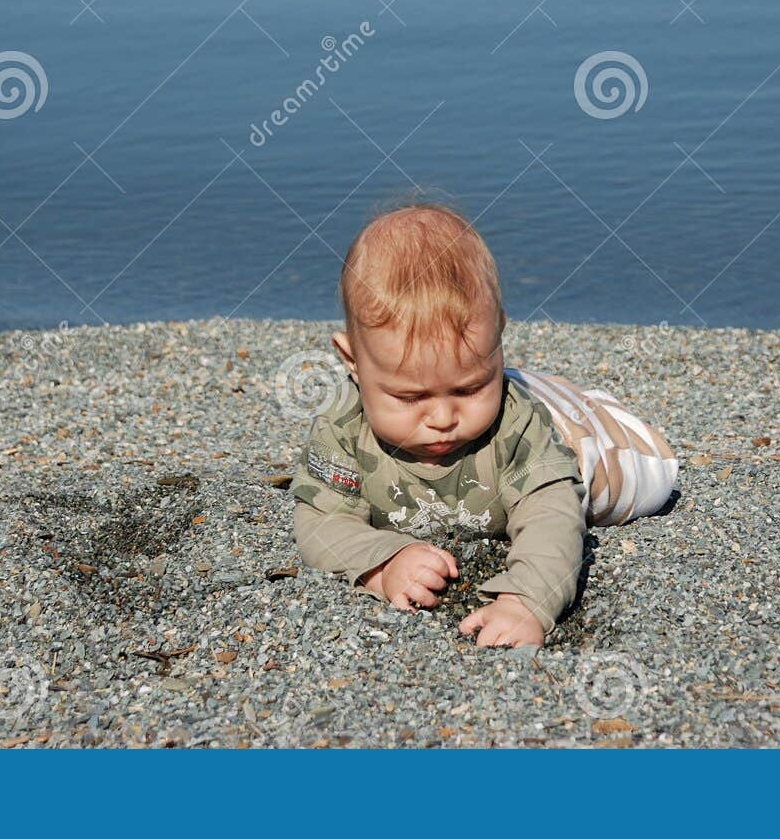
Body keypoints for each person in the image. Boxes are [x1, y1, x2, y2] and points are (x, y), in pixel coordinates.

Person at [289, 200, 678, 647]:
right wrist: (382, 564)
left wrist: (527, 601)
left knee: (648, 482)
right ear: (352, 360)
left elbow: (551, 519)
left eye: (467, 388)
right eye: (410, 397)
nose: (442, 418)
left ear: (498, 335)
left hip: (583, 443)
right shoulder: (343, 428)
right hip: (510, 396)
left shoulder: (518, 430)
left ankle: (577, 405)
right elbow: (320, 522)